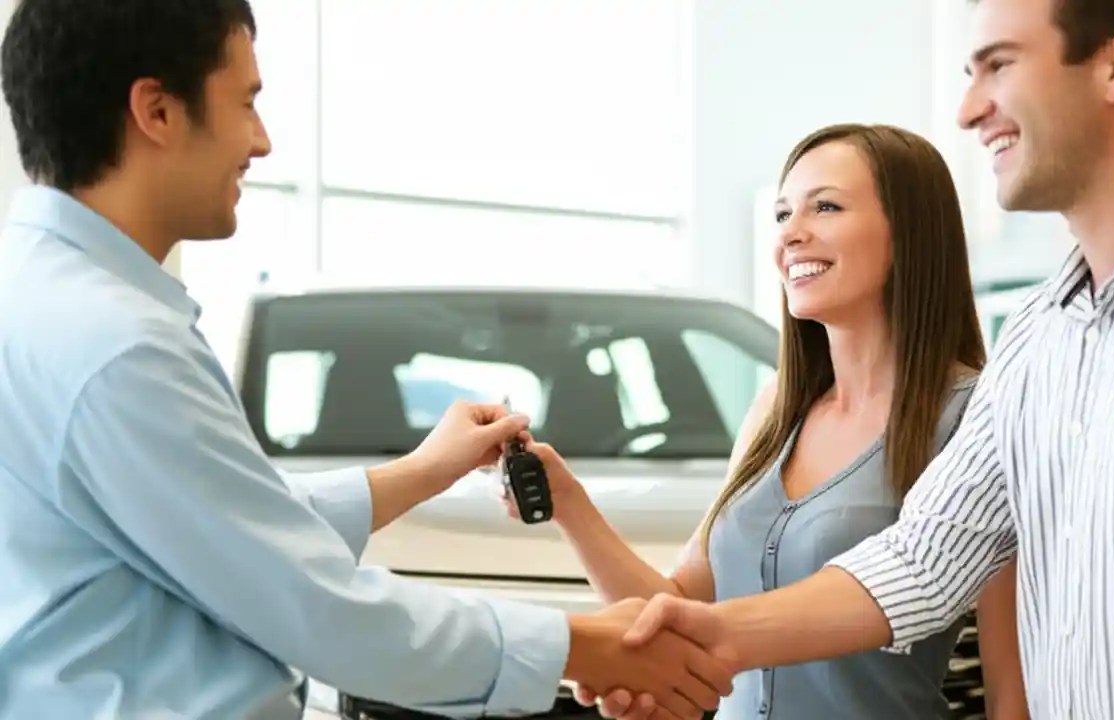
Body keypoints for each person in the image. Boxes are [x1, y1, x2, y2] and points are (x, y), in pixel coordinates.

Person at [0, 2, 732, 719]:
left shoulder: (40, 297)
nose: (261, 142)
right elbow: (313, 603)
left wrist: (420, 472)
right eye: (247, 103)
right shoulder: (119, 346)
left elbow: (230, 520)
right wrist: (586, 643)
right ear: (157, 112)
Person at [597, 0, 1114, 717]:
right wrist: (710, 635)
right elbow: (922, 560)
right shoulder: (1038, 339)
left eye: (1000, 66)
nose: (967, 109)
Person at [507, 124, 1028, 719]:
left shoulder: (976, 418)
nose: (791, 235)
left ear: (909, 233)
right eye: (782, 214)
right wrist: (569, 503)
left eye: (825, 206)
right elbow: (675, 610)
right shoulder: (776, 410)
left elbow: (1009, 689)